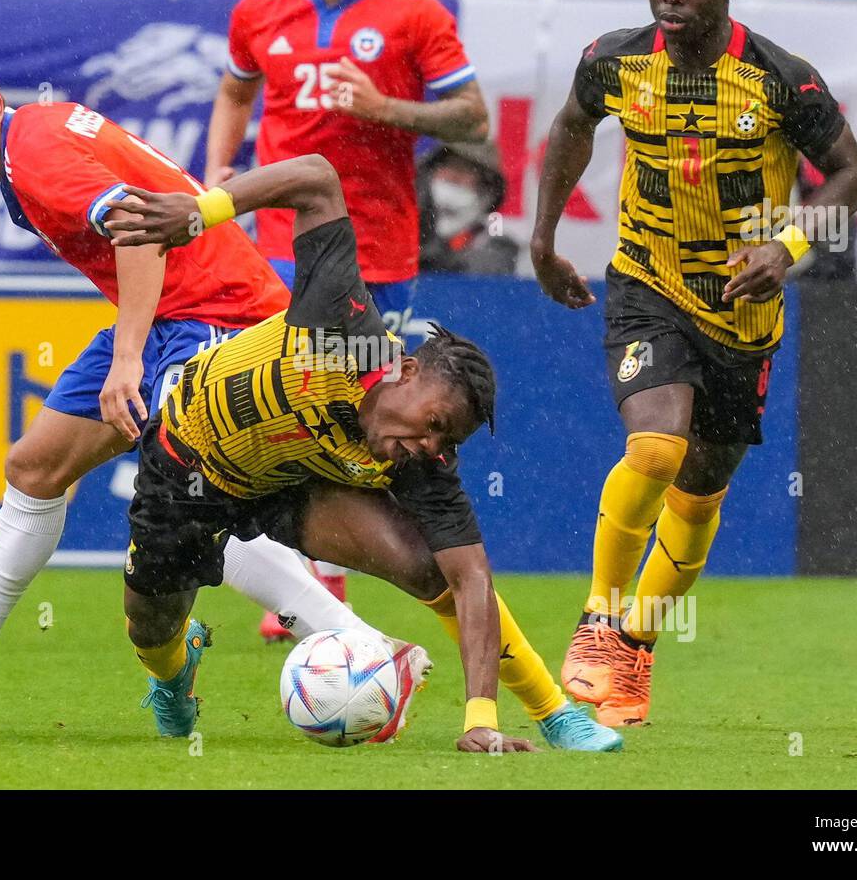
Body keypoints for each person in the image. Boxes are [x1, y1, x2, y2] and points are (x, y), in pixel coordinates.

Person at [0, 52, 404, 716]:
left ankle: (362, 644)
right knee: (35, 468)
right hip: (174, 311)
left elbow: (137, 233)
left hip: (217, 314)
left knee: (200, 495)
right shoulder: (31, 143)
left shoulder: (37, 155)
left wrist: (127, 359)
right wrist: (130, 346)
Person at [101, 153, 624, 753]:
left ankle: (558, 715)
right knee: (152, 623)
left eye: (447, 441)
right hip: (187, 460)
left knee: (435, 572)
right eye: (434, 423)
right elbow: (320, 176)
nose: (430, 445)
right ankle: (173, 675)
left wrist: (482, 716)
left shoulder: (422, 461)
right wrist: (200, 213)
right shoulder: (345, 330)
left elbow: (473, 578)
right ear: (404, 369)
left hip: (288, 483)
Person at [529, 0, 857, 726]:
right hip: (646, 281)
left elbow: (852, 174)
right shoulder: (615, 59)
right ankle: (599, 622)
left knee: (699, 489)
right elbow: (572, 127)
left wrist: (785, 249)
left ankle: (636, 645)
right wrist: (544, 239)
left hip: (743, 309)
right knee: (654, 445)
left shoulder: (781, 78)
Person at [207, 0, 491, 635]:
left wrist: (384, 109)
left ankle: (329, 585)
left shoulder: (414, 10)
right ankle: (294, 583)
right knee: (284, 400)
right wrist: (217, 171)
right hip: (277, 247)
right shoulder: (259, 10)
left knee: (359, 407)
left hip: (379, 252)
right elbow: (237, 90)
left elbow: (473, 116)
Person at [418, 142, 518, 276]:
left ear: (488, 193)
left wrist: (425, 254)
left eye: (464, 170)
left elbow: (479, 275)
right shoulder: (407, 233)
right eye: (447, 165)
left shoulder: (496, 244)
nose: (452, 177)